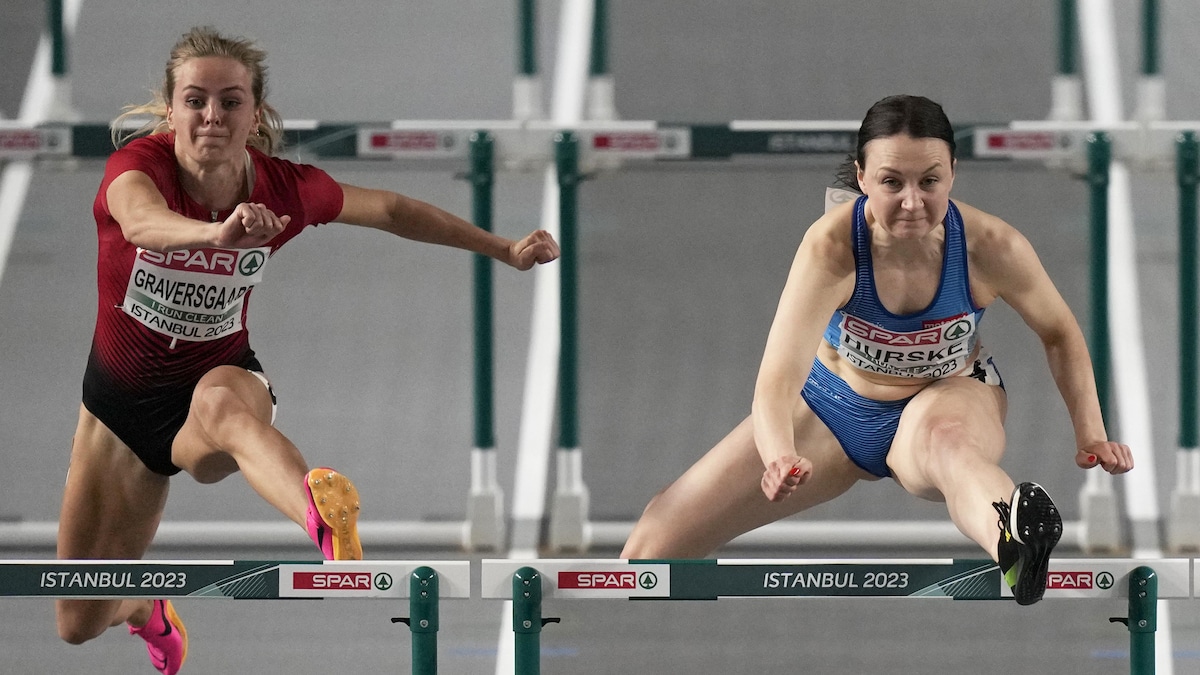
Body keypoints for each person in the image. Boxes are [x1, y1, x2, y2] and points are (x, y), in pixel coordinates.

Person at [56, 26, 559, 675]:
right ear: (171, 110)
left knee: (220, 405)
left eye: (230, 101)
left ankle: (323, 521)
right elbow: (140, 222)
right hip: (117, 413)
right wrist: (217, 233)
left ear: (255, 115)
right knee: (77, 620)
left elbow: (391, 209)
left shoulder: (283, 190)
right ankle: (144, 608)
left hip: (221, 379)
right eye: (195, 100)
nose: (212, 116)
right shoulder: (137, 168)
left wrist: (503, 247)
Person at [620, 94, 1134, 606]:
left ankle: (1014, 541)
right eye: (892, 183)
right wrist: (779, 456)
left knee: (950, 446)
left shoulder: (992, 246)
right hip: (829, 408)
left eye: (929, 182)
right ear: (862, 177)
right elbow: (777, 378)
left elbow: (1059, 331)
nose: (912, 203)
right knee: (647, 556)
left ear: (952, 174)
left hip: (946, 395)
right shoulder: (831, 248)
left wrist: (1091, 432)